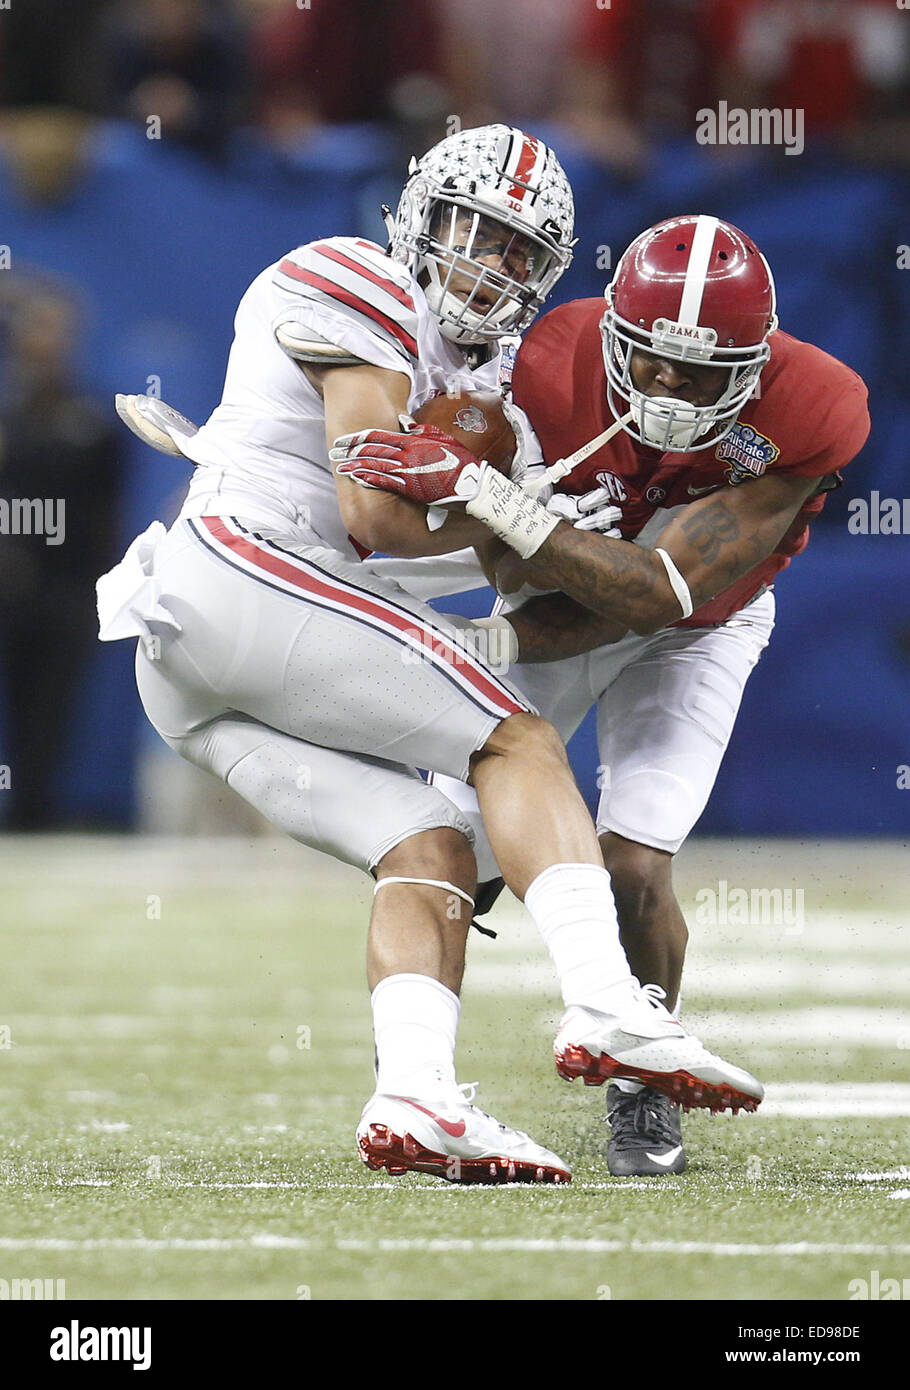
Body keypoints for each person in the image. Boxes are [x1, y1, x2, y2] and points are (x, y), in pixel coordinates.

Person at [100, 140, 766, 1186]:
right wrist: (514, 509)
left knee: (427, 840)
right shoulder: (353, 275)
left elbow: (504, 562)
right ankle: (603, 996)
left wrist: (529, 516)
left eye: (518, 247)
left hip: (205, 666)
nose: (490, 263)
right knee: (517, 740)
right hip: (244, 574)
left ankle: (415, 1092)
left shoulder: (497, 383)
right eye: (473, 229)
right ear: (419, 216)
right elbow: (372, 512)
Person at [333, 212, 870, 1177]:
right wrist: (480, 508)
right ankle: (420, 1087)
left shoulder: (816, 404)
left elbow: (656, 596)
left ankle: (643, 1081)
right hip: (559, 601)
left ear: (757, 362)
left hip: (701, 627)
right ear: (616, 333)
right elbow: (503, 564)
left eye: (703, 372)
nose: (670, 387)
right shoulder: (548, 358)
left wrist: (493, 509)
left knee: (633, 861)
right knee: (443, 851)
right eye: (653, 362)